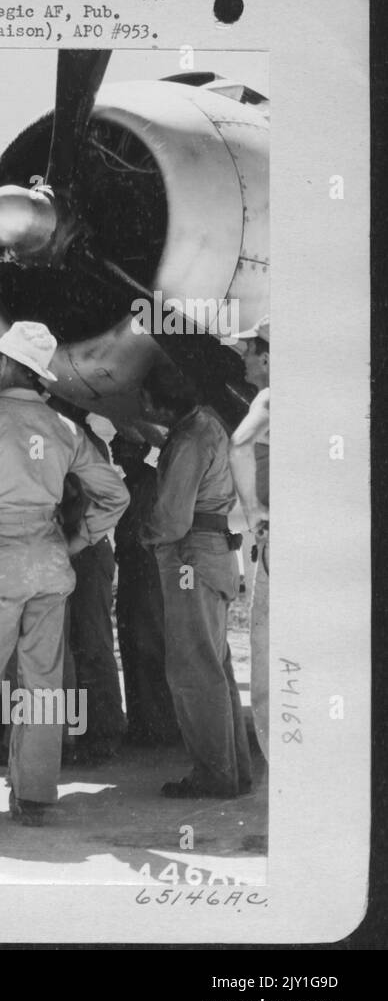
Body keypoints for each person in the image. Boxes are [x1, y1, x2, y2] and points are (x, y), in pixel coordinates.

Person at [0, 322, 129, 827]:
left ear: (7, 365)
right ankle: (35, 795)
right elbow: (116, 496)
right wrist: (78, 541)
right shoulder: (66, 429)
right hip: (49, 561)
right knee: (42, 682)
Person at [140, 365, 252, 798]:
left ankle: (213, 774)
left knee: (192, 669)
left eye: (146, 399)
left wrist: (144, 533)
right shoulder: (208, 425)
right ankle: (232, 771)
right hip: (214, 557)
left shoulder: (188, 438)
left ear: (159, 400)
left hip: (190, 558)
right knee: (214, 665)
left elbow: (171, 519)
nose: (143, 405)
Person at [50, 398, 126, 765]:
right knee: (77, 645)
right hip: (77, 547)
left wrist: (74, 540)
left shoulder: (83, 443)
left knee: (92, 642)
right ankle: (84, 733)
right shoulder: (78, 440)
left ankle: (105, 732)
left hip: (86, 548)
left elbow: (91, 499)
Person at [109, 433, 180, 745]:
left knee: (149, 644)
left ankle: (160, 725)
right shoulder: (130, 483)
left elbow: (149, 530)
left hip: (147, 571)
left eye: (120, 442)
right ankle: (142, 723)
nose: (113, 447)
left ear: (138, 448)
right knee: (131, 644)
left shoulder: (150, 482)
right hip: (131, 570)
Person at [227, 324, 270, 762]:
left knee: (269, 663)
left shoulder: (271, 397)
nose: (244, 357)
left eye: (251, 350)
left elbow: (239, 446)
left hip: (281, 546)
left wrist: (254, 510)